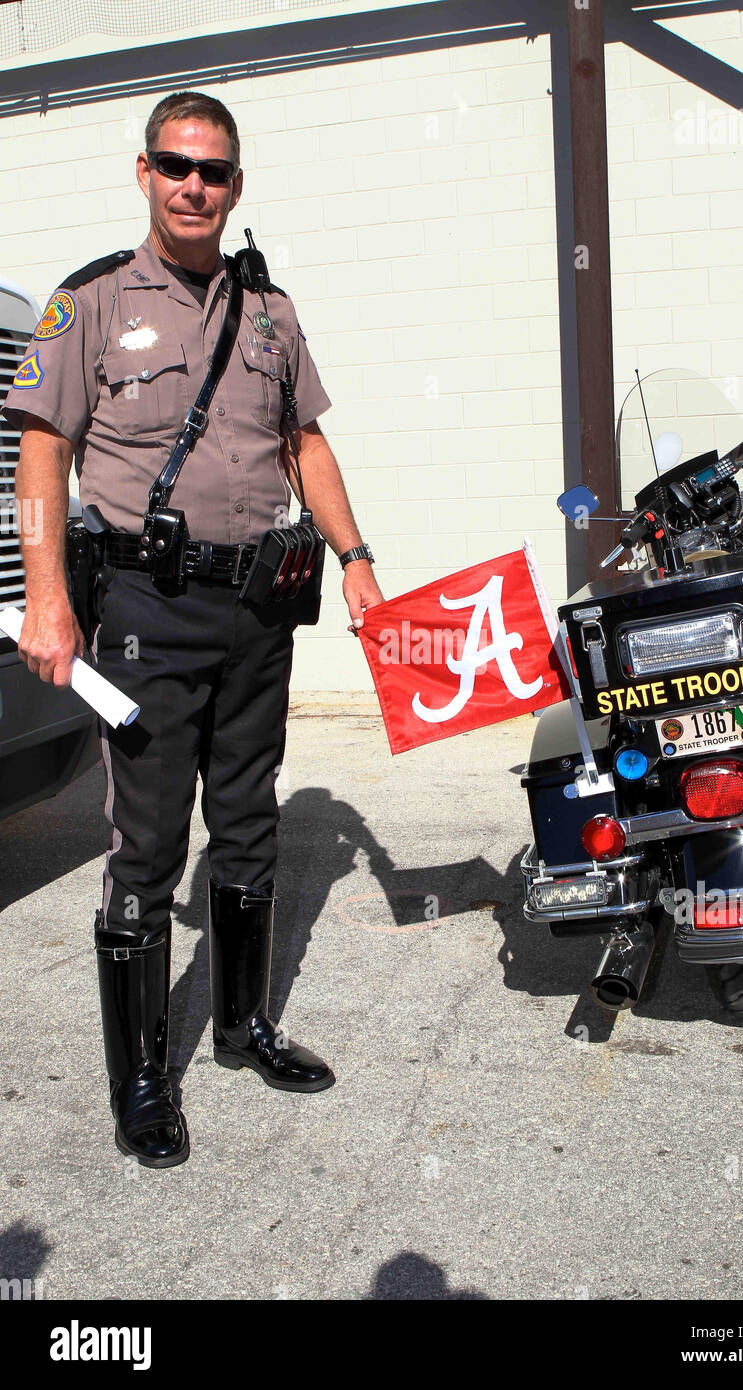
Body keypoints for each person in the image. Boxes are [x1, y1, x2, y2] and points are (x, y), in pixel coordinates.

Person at [3, 91, 383, 1169]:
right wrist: (47, 594)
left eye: (213, 171)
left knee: (252, 820)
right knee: (149, 842)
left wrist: (355, 562)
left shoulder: (270, 313)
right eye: (176, 165)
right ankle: (139, 1077)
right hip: (143, 611)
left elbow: (305, 445)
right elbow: (41, 454)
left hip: (259, 606)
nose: (193, 186)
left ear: (235, 186)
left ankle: (241, 1028)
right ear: (144, 172)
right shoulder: (84, 305)